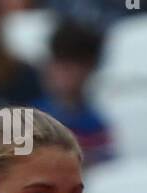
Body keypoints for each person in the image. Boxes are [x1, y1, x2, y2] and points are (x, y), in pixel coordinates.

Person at [36, 19, 114, 167]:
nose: (63, 74)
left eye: (72, 66)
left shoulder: (95, 126)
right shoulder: (28, 117)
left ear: (89, 69)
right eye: (59, 63)